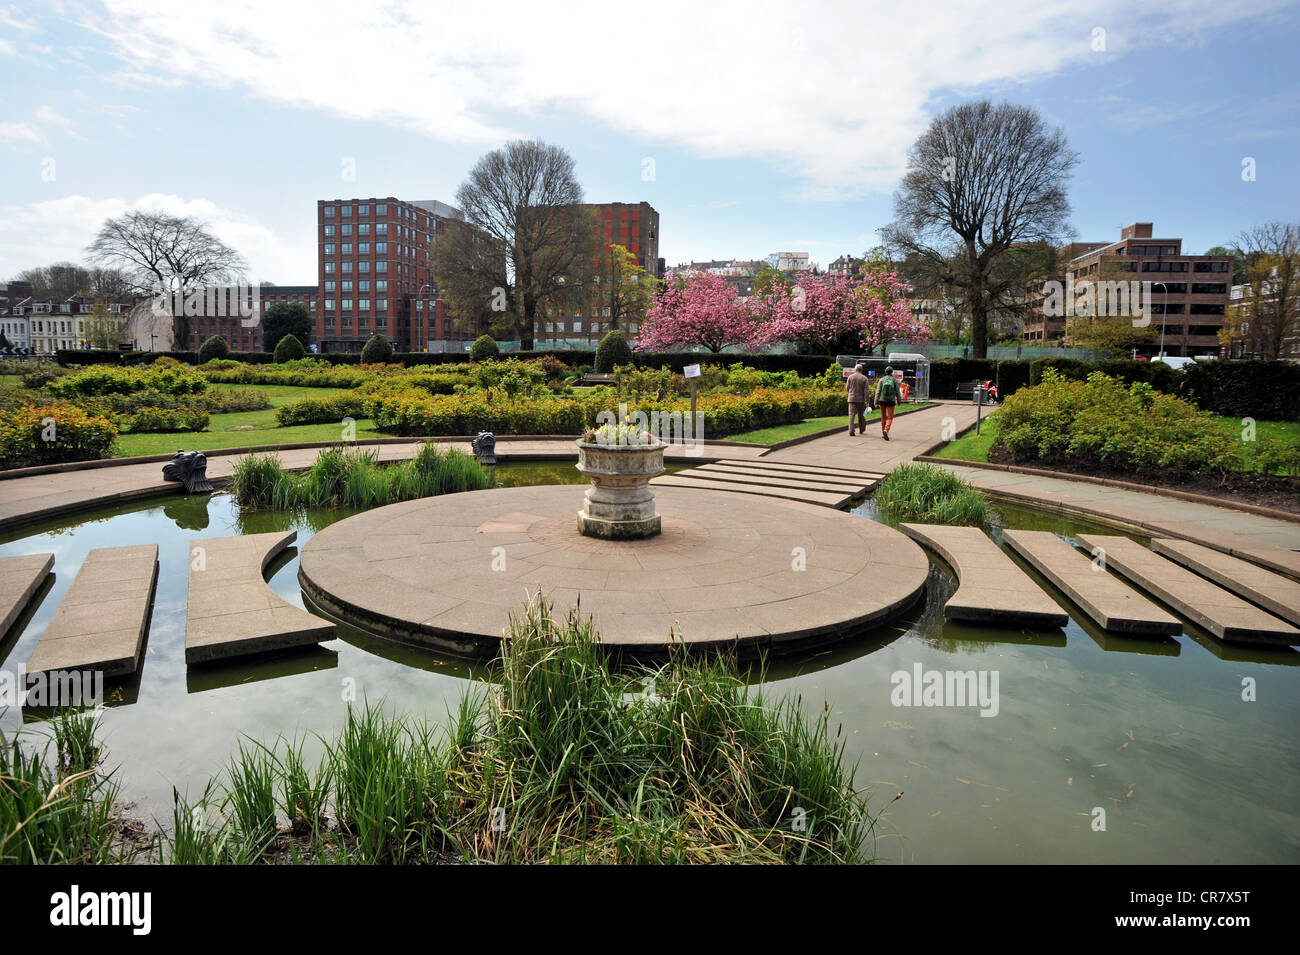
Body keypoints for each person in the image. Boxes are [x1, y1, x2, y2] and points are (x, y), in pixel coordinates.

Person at [875, 365, 900, 440]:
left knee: (883, 416)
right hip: (891, 401)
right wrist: (899, 401)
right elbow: (898, 392)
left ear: (885, 372)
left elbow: (878, 391)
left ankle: (883, 431)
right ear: (892, 372)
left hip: (882, 400)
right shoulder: (894, 380)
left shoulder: (882, 380)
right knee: (890, 417)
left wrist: (876, 402)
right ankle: (886, 429)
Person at [845, 364, 870, 436]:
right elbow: (866, 391)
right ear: (861, 370)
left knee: (851, 415)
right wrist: (867, 401)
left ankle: (851, 430)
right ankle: (861, 429)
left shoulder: (850, 377)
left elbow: (847, 388)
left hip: (851, 399)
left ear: (855, 369)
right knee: (861, 415)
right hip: (860, 400)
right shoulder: (864, 378)